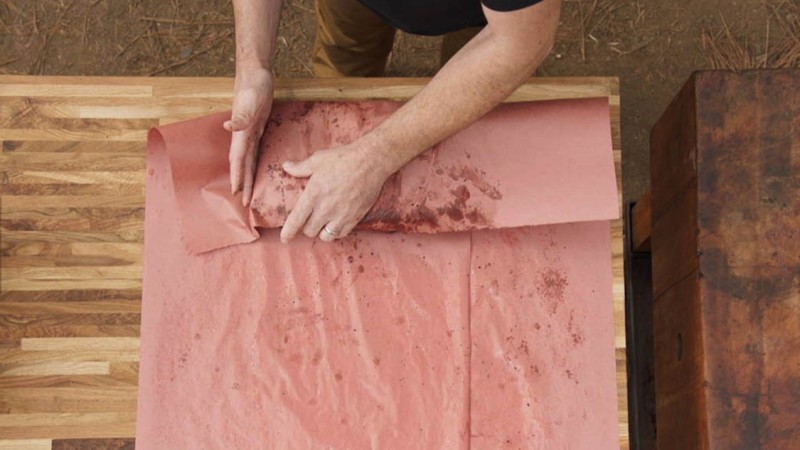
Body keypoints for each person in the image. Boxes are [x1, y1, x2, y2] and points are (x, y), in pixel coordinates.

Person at [226, 0, 561, 243]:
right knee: (344, 56)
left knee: (466, 123)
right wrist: (253, 66)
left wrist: (373, 160)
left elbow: (517, 43)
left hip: (480, 18)